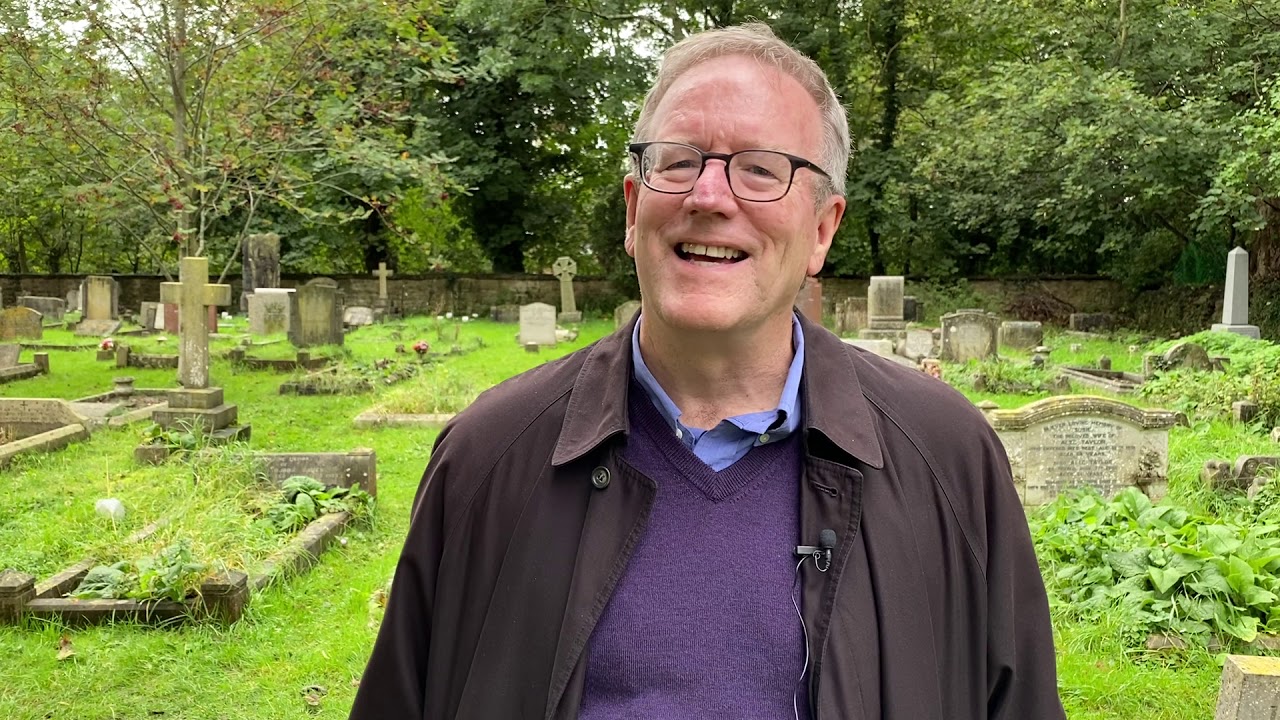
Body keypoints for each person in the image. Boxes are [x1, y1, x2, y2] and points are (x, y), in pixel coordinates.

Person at [349, 23, 1065, 720]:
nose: (709, 197)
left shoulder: (948, 459)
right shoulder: (487, 459)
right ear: (634, 211)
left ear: (822, 229)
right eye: (679, 160)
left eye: (760, 168)